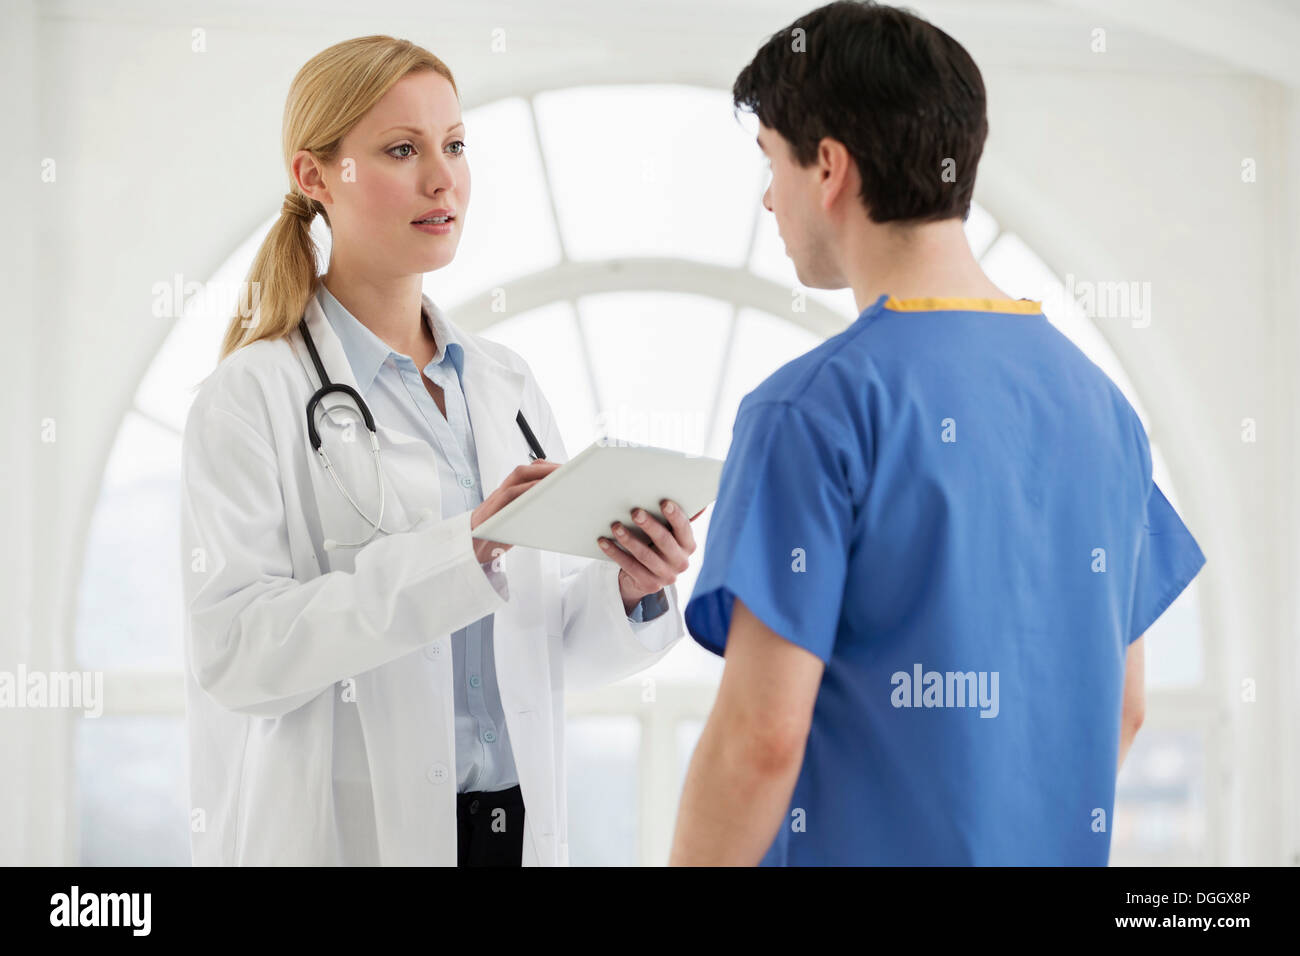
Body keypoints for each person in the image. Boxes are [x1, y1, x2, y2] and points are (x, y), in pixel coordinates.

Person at [672, 1, 1206, 865]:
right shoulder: (1100, 408)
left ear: (830, 170)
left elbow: (760, 741)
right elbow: (1124, 705)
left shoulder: (809, 410)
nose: (768, 197)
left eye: (771, 162)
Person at [180, 35, 697, 866]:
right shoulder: (251, 397)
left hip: (512, 826)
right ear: (316, 177)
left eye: (454, 145)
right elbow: (240, 655)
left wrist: (630, 588)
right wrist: (465, 549)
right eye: (402, 150)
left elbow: (539, 645)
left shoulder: (506, 384)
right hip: (353, 835)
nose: (442, 178)